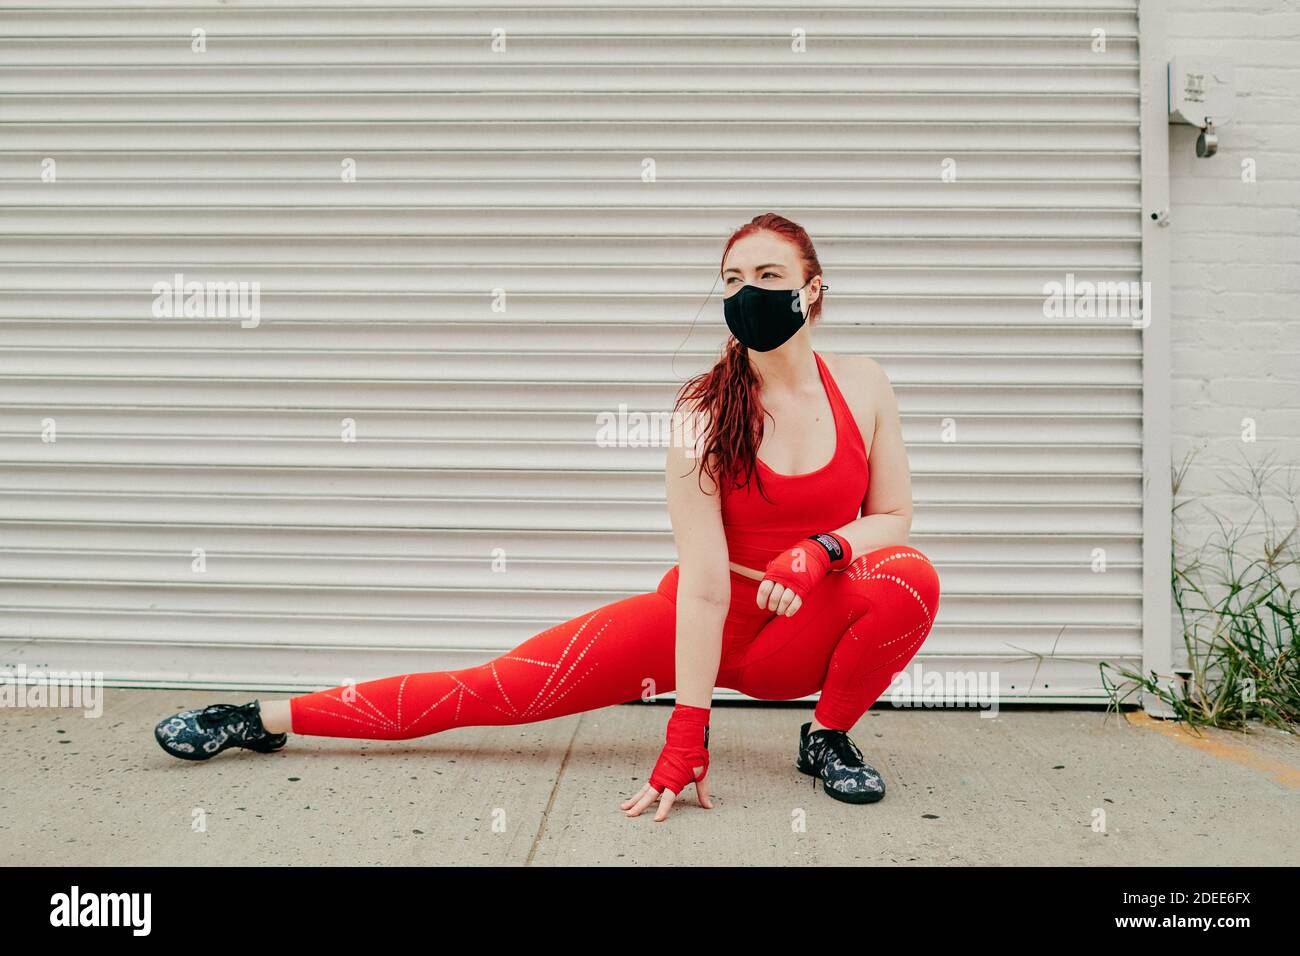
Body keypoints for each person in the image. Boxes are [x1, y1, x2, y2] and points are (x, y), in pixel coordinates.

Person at [154, 212, 941, 821]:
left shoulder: (865, 383)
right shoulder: (702, 415)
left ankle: (827, 738)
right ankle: (260, 716)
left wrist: (822, 550)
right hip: (705, 621)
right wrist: (685, 737)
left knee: (908, 578)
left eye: (768, 274)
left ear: (812, 288)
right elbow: (703, 591)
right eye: (731, 280)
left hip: (800, 633)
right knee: (494, 688)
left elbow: (895, 514)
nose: (747, 294)